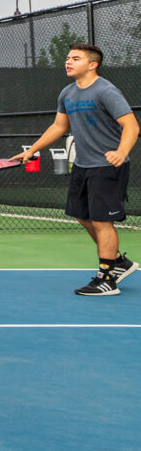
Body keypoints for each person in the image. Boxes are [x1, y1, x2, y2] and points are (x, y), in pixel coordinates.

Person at [15, 42, 139, 296]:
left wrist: (121, 152)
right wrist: (32, 150)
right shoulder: (67, 93)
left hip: (107, 166)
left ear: (93, 65)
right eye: (68, 57)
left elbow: (131, 126)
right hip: (82, 165)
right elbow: (59, 127)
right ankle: (119, 263)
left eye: (76, 58)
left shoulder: (106, 91)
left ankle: (107, 279)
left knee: (102, 221)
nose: (68, 61)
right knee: (82, 215)